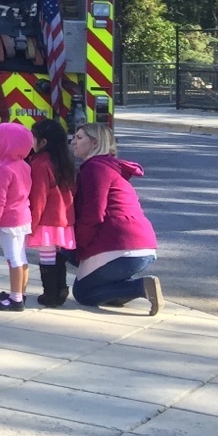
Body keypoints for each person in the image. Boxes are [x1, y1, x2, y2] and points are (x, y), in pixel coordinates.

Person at [70, 123, 162, 315]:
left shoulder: (95, 168)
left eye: (79, 138)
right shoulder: (109, 166)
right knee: (94, 287)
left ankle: (140, 288)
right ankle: (124, 290)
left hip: (122, 249)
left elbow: (93, 213)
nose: (73, 141)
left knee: (83, 293)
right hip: (142, 248)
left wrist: (77, 245)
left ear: (94, 142)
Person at [28, 118, 77, 307]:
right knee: (58, 256)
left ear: (43, 142)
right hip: (64, 218)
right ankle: (61, 288)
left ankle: (50, 294)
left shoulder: (40, 163)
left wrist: (32, 224)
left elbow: (38, 197)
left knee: (46, 258)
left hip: (46, 219)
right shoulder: (64, 161)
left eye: (34, 137)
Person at [0, 121, 35, 311]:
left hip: (8, 221)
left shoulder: (2, 170)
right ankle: (20, 293)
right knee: (21, 257)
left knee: (12, 258)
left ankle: (15, 299)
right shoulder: (24, 165)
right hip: (23, 217)